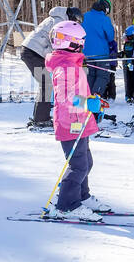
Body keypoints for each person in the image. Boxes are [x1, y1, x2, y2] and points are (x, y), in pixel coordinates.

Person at [46, 20, 112, 223]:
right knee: (78, 166)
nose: (83, 44)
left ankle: (81, 197)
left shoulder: (71, 64)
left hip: (79, 121)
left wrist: (91, 100)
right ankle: (66, 205)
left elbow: (77, 92)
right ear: (70, 42)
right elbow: (67, 99)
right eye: (81, 41)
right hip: (70, 123)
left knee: (85, 162)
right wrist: (86, 104)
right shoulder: (64, 68)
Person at [20, 5, 69, 127]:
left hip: (31, 51)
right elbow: (56, 45)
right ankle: (41, 119)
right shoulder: (60, 22)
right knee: (46, 84)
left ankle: (40, 116)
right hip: (33, 52)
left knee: (46, 84)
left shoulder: (56, 18)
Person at [81, 0, 115, 97]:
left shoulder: (84, 16)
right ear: (106, 8)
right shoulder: (104, 19)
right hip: (101, 54)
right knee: (103, 76)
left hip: (86, 53)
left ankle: (88, 97)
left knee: (90, 76)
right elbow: (110, 37)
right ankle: (95, 98)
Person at [121, 25, 134, 103]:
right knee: (129, 80)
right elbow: (126, 52)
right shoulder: (127, 43)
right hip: (128, 65)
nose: (126, 39)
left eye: (128, 37)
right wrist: (122, 54)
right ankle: (128, 95)